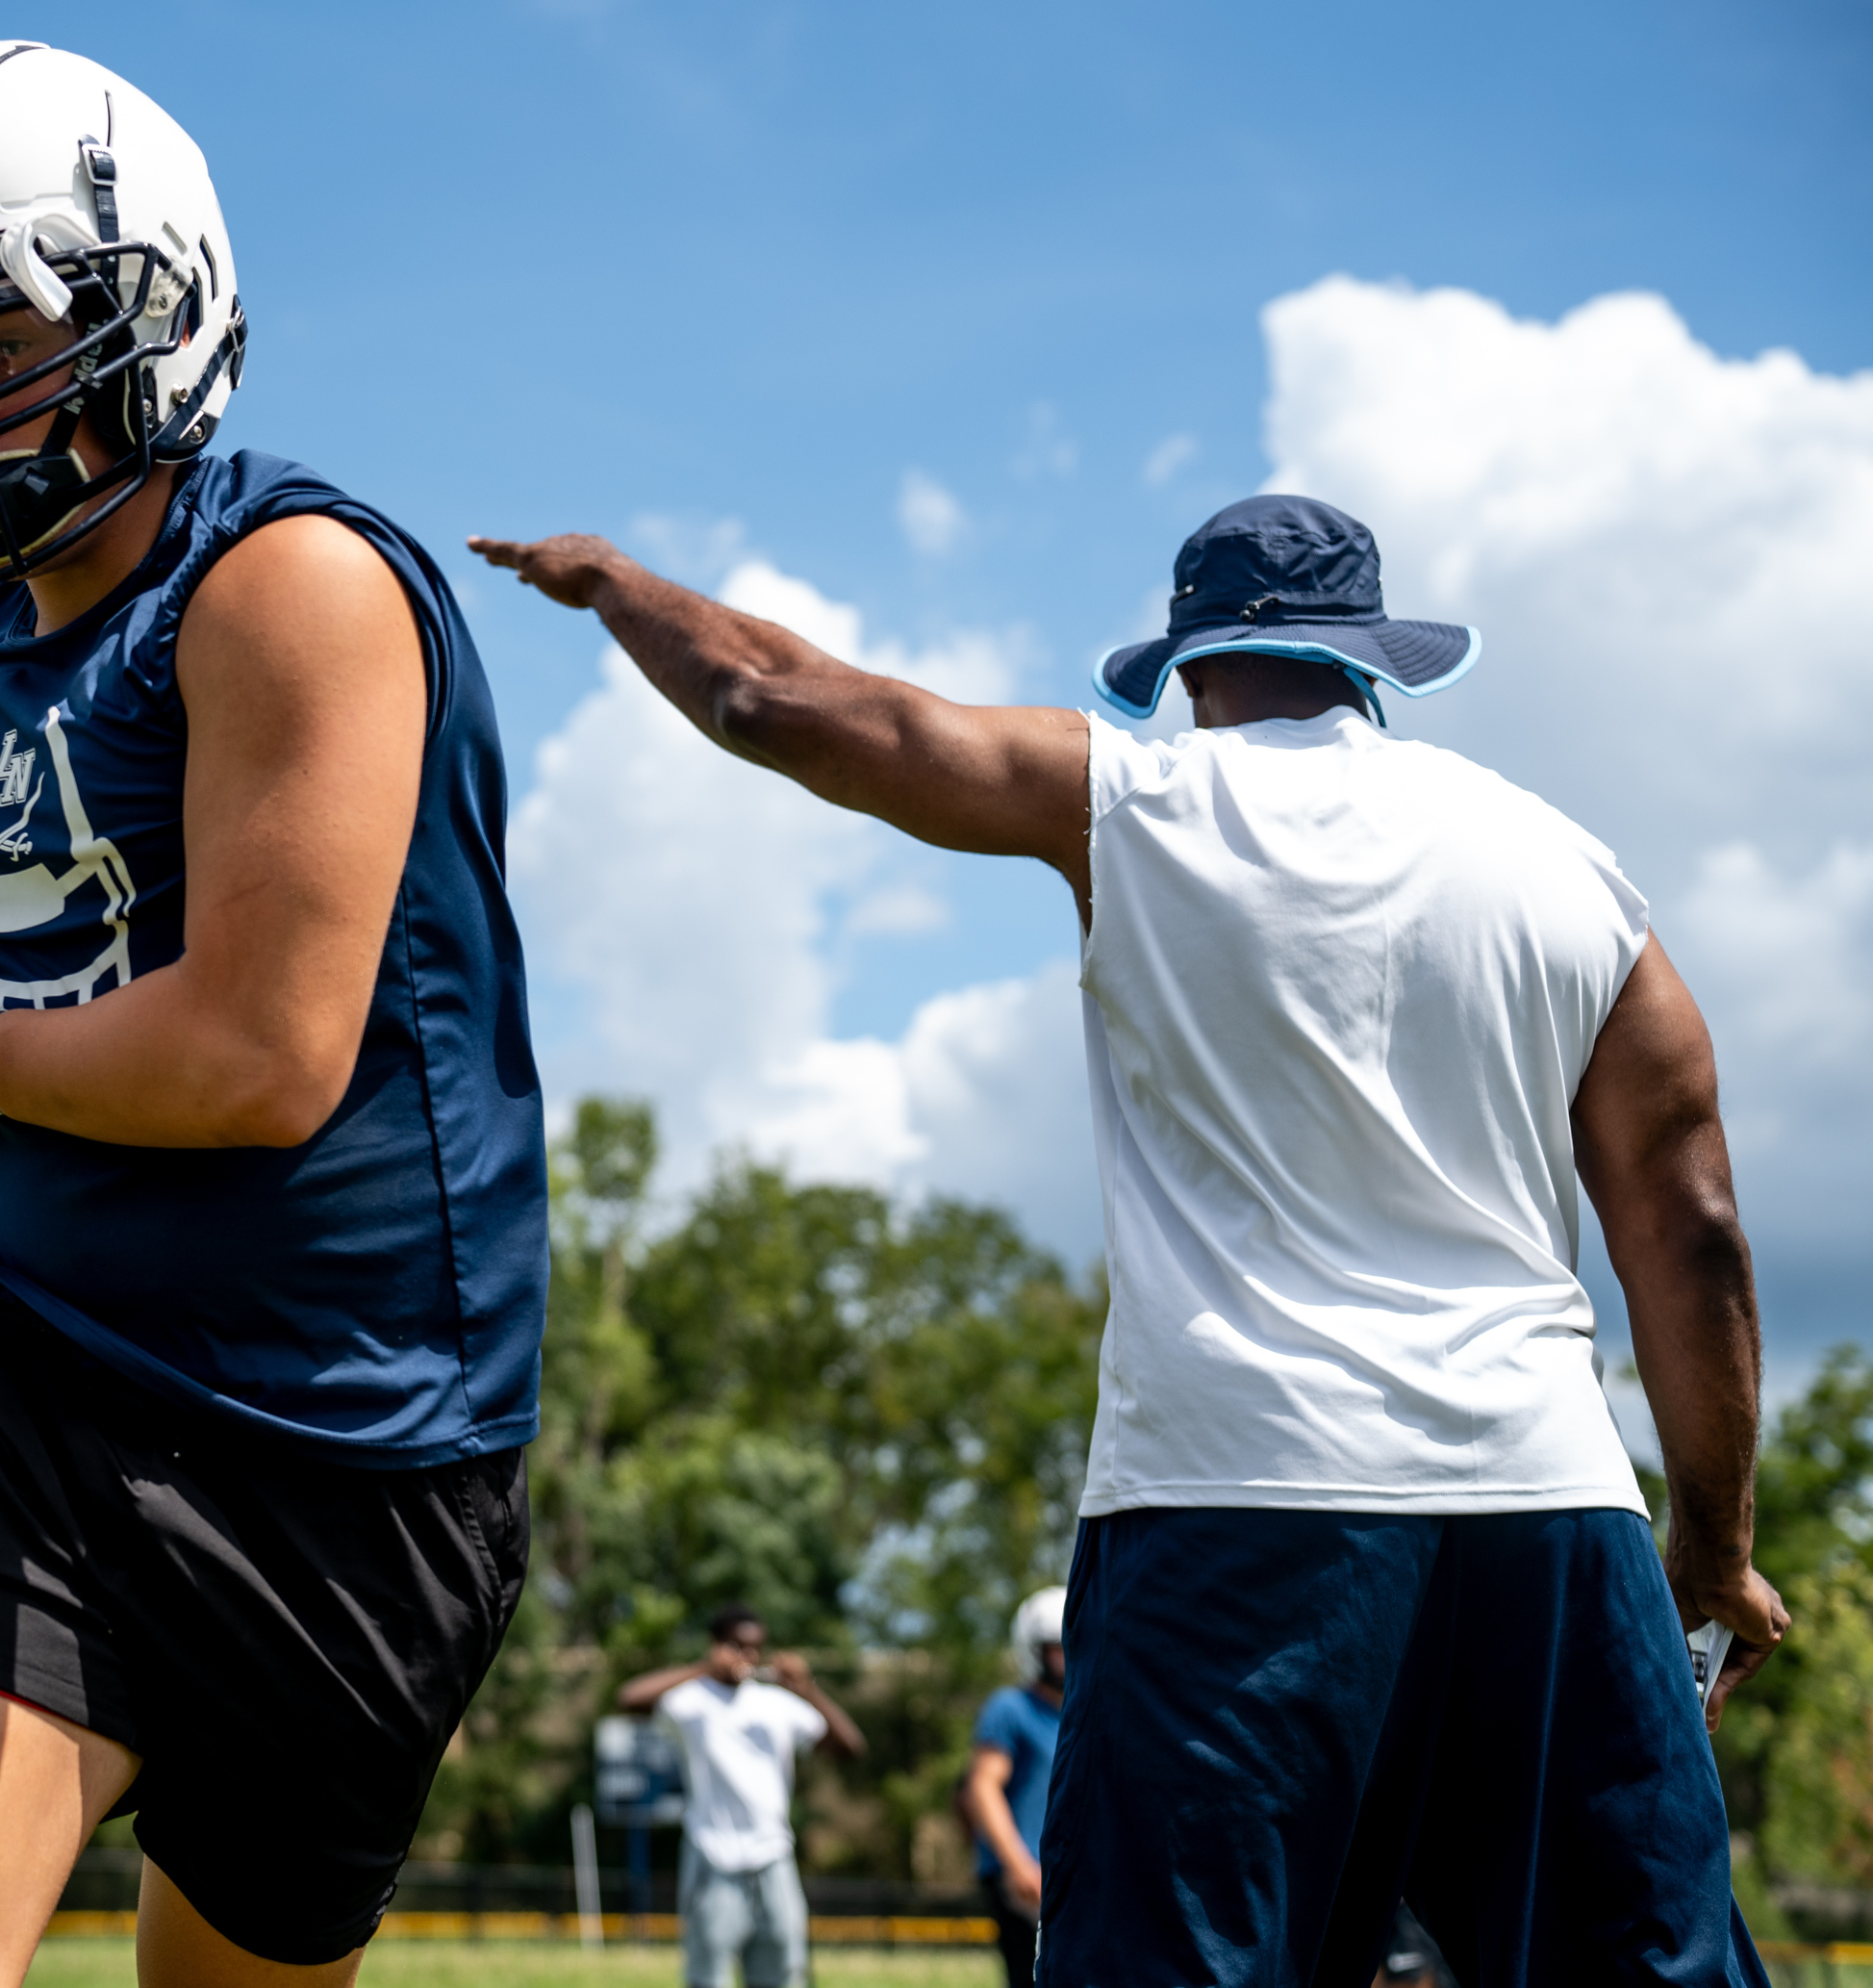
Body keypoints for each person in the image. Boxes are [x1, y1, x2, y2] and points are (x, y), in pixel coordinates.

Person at [470, 496, 1788, 1986]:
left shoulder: (1138, 796)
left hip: (1239, 1503)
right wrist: (1715, 1548)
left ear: (1191, 668)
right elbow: (1693, 1229)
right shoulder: (1567, 869)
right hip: (1548, 1508)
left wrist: (612, 583)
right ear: (1372, 663)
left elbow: (768, 699)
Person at [0, 45, 545, 1987]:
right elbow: (8, 1039)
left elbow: (255, 1055)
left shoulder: (287, 582)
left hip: (363, 1437)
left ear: (146, 286)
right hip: (34, 1369)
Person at [618, 1606, 866, 1988]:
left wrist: (807, 1689)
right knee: (709, 1974)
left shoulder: (776, 1704)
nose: (747, 1657)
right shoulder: (691, 1701)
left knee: (784, 1973)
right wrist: (704, 1668)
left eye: (755, 1649)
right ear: (716, 1646)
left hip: (773, 1856)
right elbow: (630, 1698)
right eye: (736, 1646)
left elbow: (850, 1747)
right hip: (712, 1855)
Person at [959, 1587, 1065, 1988]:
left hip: (1067, 1875)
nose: (1067, 1656)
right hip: (1022, 1879)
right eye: (1056, 1647)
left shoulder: (1083, 1714)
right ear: (1033, 1650)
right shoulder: (1010, 1708)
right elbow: (982, 1787)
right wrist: (1018, 1864)